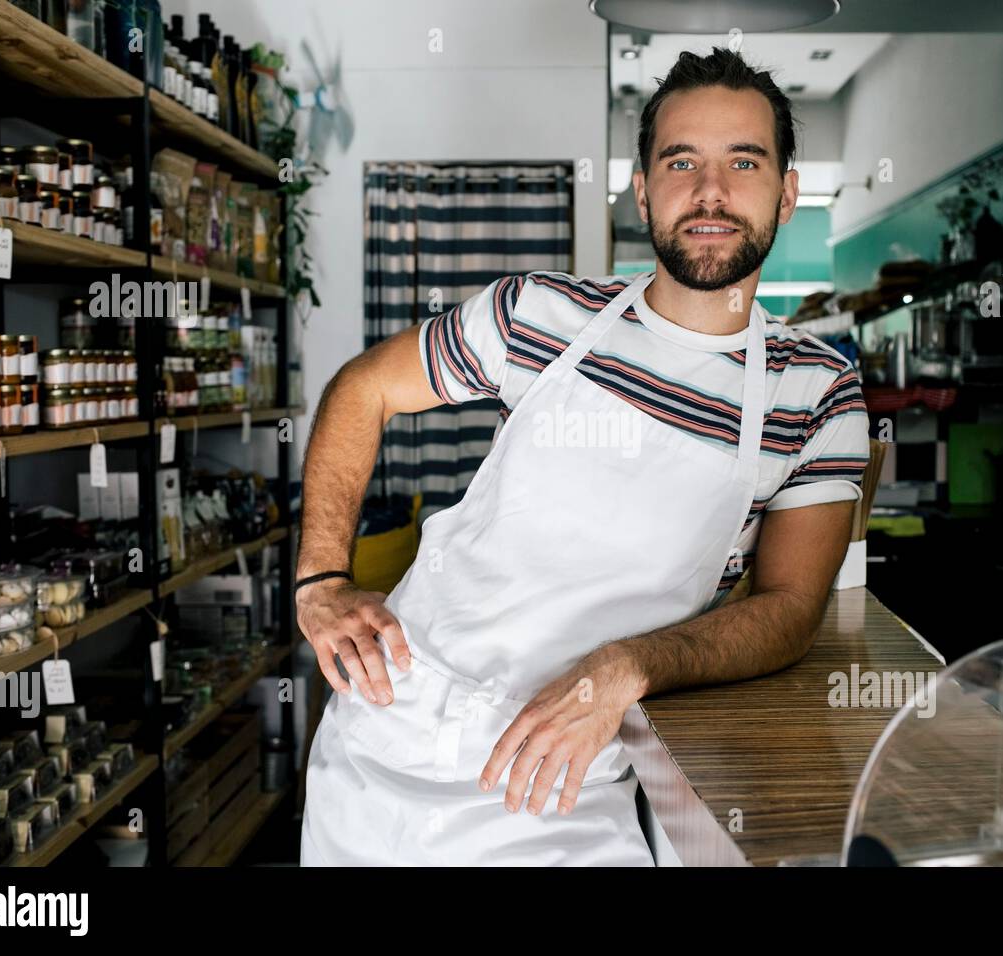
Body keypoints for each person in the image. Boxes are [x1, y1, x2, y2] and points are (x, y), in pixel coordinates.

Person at [298, 47, 870, 866]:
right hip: (385, 735)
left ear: (786, 191)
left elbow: (789, 609)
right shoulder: (540, 314)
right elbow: (363, 389)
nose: (711, 192)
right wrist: (320, 577)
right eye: (682, 162)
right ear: (642, 190)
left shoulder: (815, 389)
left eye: (743, 161)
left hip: (568, 780)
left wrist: (628, 664)